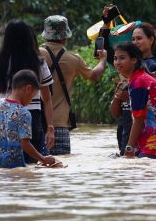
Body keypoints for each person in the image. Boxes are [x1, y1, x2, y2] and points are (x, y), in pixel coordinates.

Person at [39, 14, 107, 156]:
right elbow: (94, 76)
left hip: (34, 121)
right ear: (65, 37)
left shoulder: (36, 54)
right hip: (59, 125)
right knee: (60, 169)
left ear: (45, 34)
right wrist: (102, 61)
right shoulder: (73, 59)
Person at [0, 20, 54, 155]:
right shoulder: (38, 62)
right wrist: (51, 128)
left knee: (7, 159)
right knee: (34, 162)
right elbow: (47, 98)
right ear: (28, 38)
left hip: (4, 115)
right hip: (32, 116)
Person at [0, 69, 63, 168]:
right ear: (28, 89)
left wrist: (1, 149)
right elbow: (25, 144)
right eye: (32, 97)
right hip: (15, 164)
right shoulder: (24, 113)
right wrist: (42, 159)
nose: (31, 101)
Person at [115, 20, 156, 156]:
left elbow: (139, 118)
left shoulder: (139, 80)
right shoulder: (137, 77)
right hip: (145, 134)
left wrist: (129, 148)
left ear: (134, 60)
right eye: (115, 58)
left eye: (122, 58)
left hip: (153, 137)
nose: (117, 63)